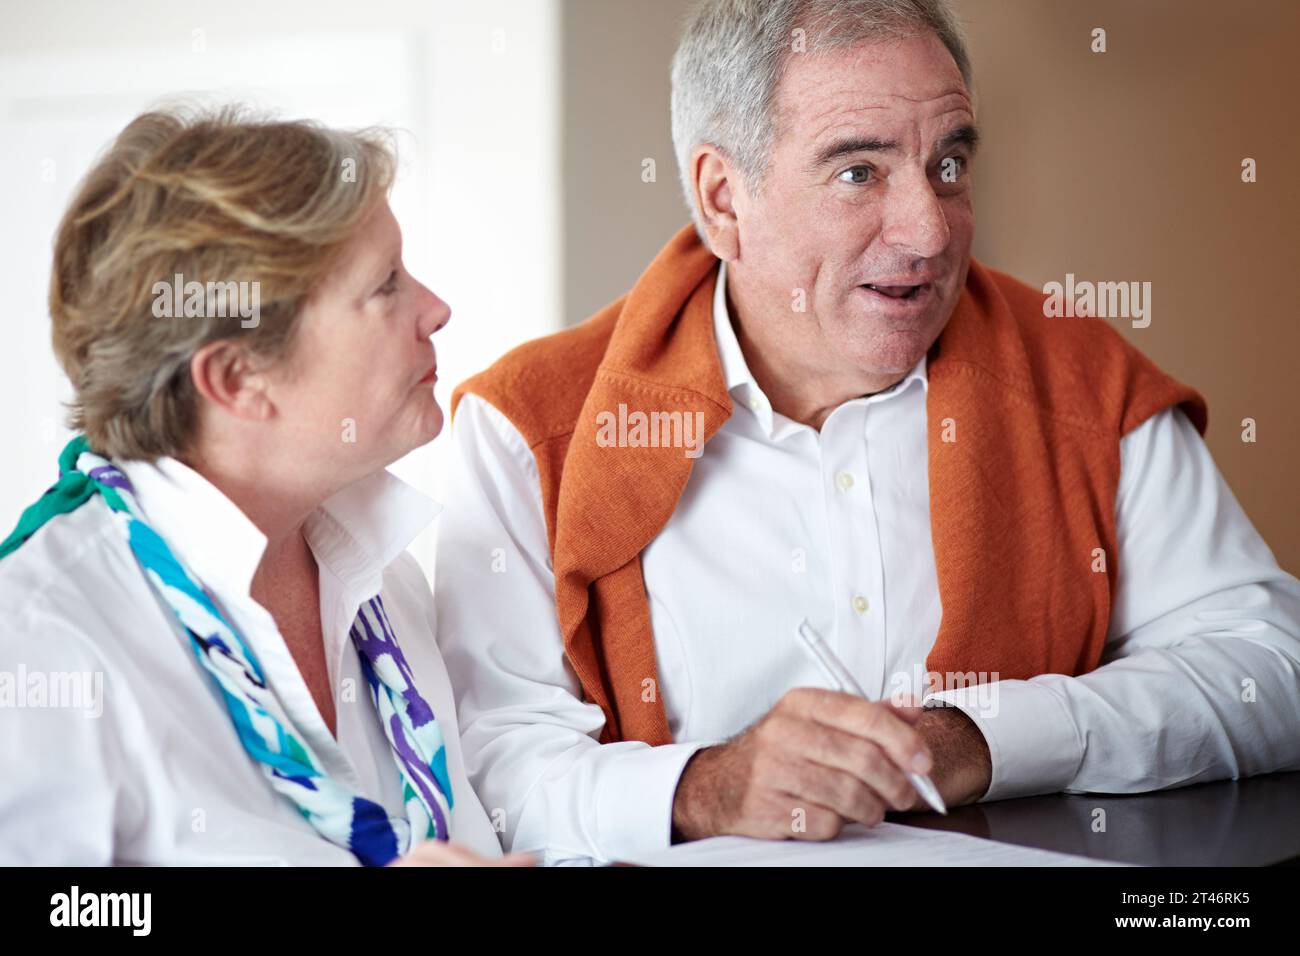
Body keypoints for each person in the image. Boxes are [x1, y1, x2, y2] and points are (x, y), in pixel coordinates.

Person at [433, 0, 1300, 865]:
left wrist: (982, 736)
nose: (930, 231)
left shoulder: (1086, 381)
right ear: (723, 198)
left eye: (949, 164)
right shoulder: (528, 428)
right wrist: (704, 789)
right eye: (859, 172)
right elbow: (492, 769)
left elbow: (1271, 670)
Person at [0, 107, 530, 866]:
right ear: (238, 379)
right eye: (385, 286)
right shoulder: (37, 643)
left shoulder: (384, 581)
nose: (435, 310)